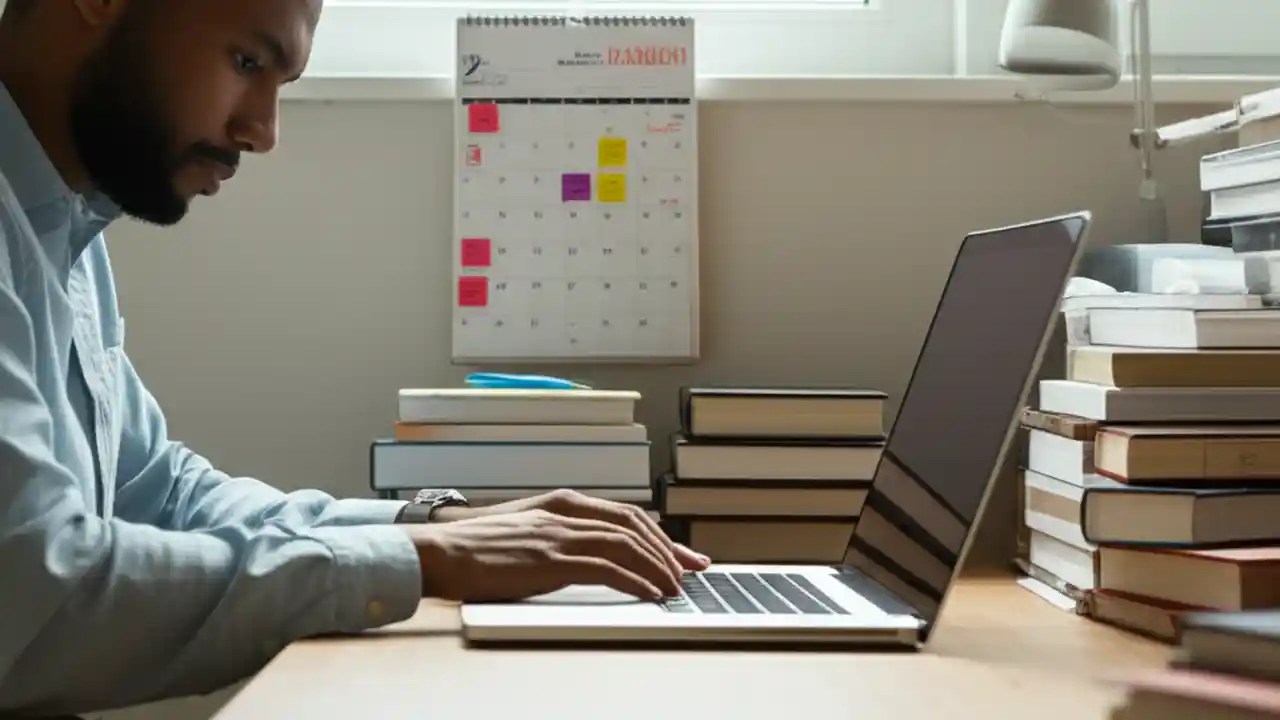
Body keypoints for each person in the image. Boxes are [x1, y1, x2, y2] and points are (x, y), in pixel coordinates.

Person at [0, 0, 710, 715]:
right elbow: (38, 603)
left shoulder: (61, 228)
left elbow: (159, 497)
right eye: (247, 61)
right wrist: (423, 565)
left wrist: (429, 527)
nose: (263, 132)